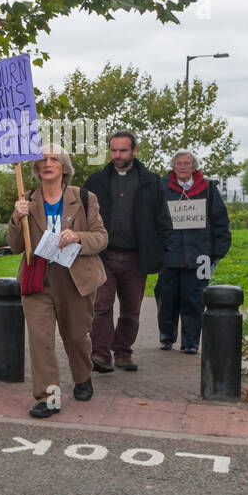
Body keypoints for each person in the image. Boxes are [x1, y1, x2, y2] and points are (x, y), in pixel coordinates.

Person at [8, 145, 107, 418]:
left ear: (64, 167)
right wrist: (17, 217)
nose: (48, 163)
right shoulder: (26, 199)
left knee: (76, 337)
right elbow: (15, 245)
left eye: (54, 159)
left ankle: (83, 376)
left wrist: (78, 237)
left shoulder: (85, 198)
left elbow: (101, 237)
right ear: (37, 168)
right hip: (38, 278)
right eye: (43, 159)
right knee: (41, 340)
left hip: (75, 278)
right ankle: (47, 397)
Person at [84, 130, 172, 372]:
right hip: (103, 256)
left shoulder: (151, 181)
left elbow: (162, 219)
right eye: (113, 150)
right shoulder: (96, 182)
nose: (118, 155)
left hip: (136, 257)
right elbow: (82, 217)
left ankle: (123, 351)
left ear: (134, 150)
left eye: (123, 150)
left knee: (131, 310)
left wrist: (161, 249)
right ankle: (100, 355)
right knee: (100, 306)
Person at [157, 150, 231, 354]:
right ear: (173, 166)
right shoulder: (162, 188)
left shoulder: (208, 188)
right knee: (167, 299)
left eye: (186, 163)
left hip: (200, 257)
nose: (182, 166)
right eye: (179, 163)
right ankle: (166, 336)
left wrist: (218, 252)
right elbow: (153, 221)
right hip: (169, 256)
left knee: (195, 300)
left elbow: (220, 221)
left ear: (193, 166)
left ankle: (191, 342)